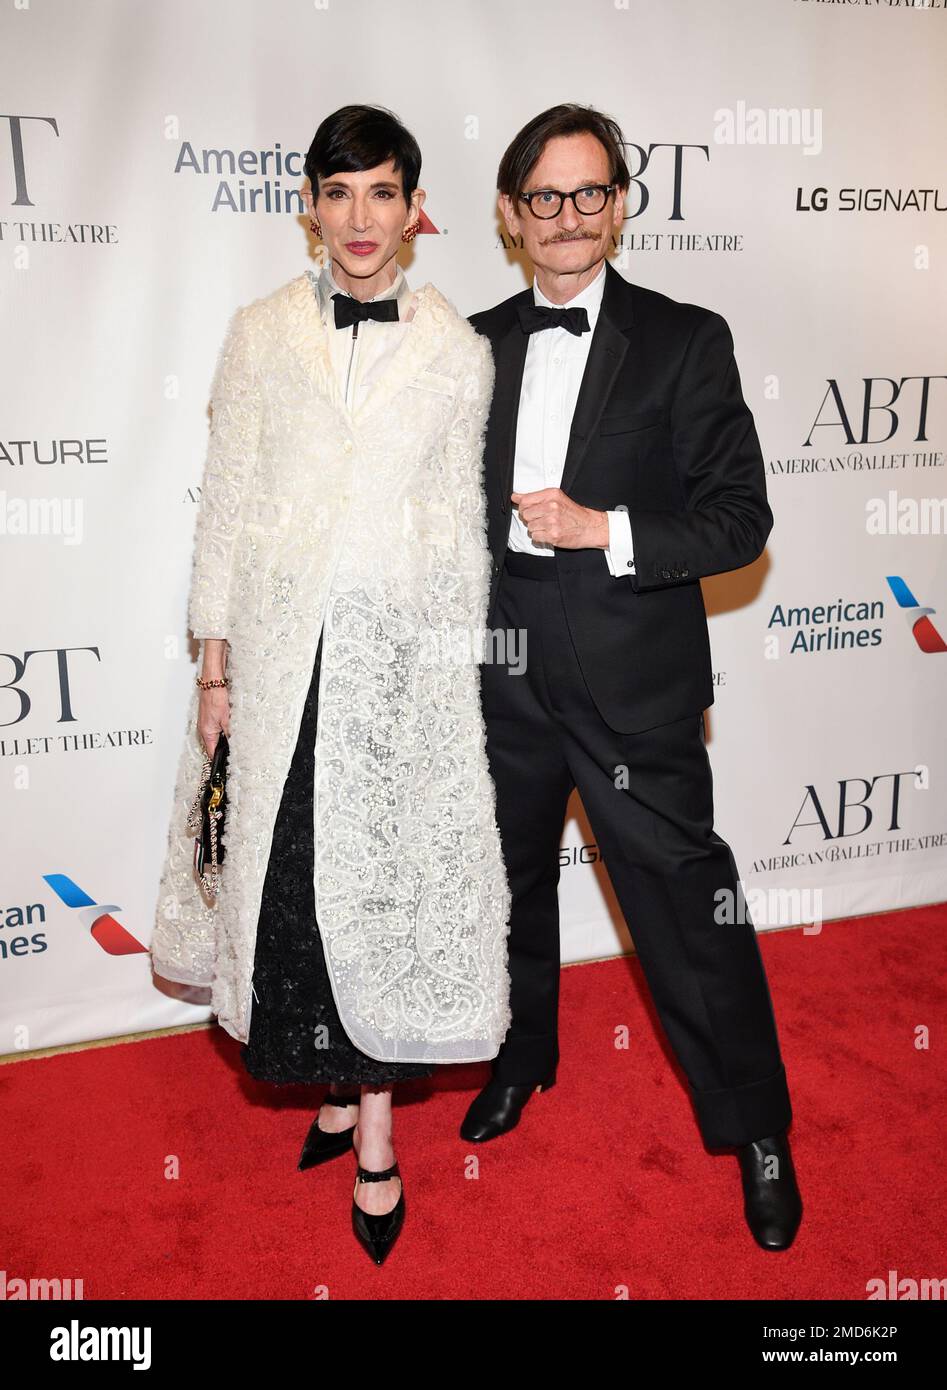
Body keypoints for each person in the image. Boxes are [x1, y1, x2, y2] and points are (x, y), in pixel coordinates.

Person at [151, 104, 511, 1266]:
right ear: (308, 205)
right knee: (295, 886)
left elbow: (458, 529)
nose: (360, 219)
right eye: (337, 192)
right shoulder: (259, 333)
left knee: (379, 893)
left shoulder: (458, 353)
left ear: (416, 209)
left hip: (394, 678)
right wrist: (216, 664)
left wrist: (453, 682)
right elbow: (230, 499)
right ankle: (322, 1080)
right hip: (278, 657)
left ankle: (373, 1142)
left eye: (382, 193)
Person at [463, 103, 802, 1251]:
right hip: (495, 670)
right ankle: (521, 1056)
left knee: (686, 912)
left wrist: (599, 527)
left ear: (621, 202)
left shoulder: (683, 337)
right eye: (544, 198)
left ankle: (754, 1127)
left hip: (632, 678)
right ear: (509, 215)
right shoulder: (463, 345)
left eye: (590, 193)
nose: (568, 218)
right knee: (503, 892)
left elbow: (737, 519)